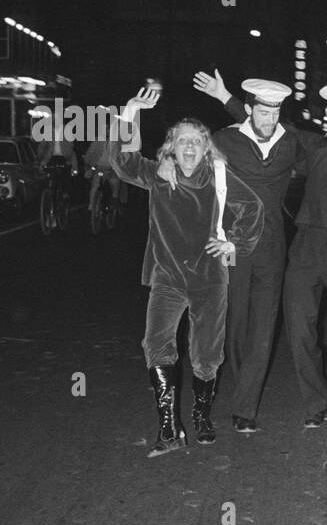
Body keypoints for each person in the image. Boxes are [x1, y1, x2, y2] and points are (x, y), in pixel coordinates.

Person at [113, 88, 264, 457]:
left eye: (197, 141)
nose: (190, 148)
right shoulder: (158, 175)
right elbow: (123, 162)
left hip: (210, 278)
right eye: (182, 142)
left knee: (206, 355)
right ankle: (168, 427)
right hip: (167, 277)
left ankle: (200, 415)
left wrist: (235, 244)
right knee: (156, 343)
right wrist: (131, 110)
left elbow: (254, 208)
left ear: (206, 147)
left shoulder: (218, 177)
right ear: (171, 148)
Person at [186, 71, 305, 433]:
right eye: (262, 112)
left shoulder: (291, 142)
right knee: (235, 325)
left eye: (275, 113)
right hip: (234, 247)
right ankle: (241, 384)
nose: (269, 120)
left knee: (264, 328)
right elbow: (189, 155)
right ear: (249, 110)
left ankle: (245, 406)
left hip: (273, 249)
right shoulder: (224, 140)